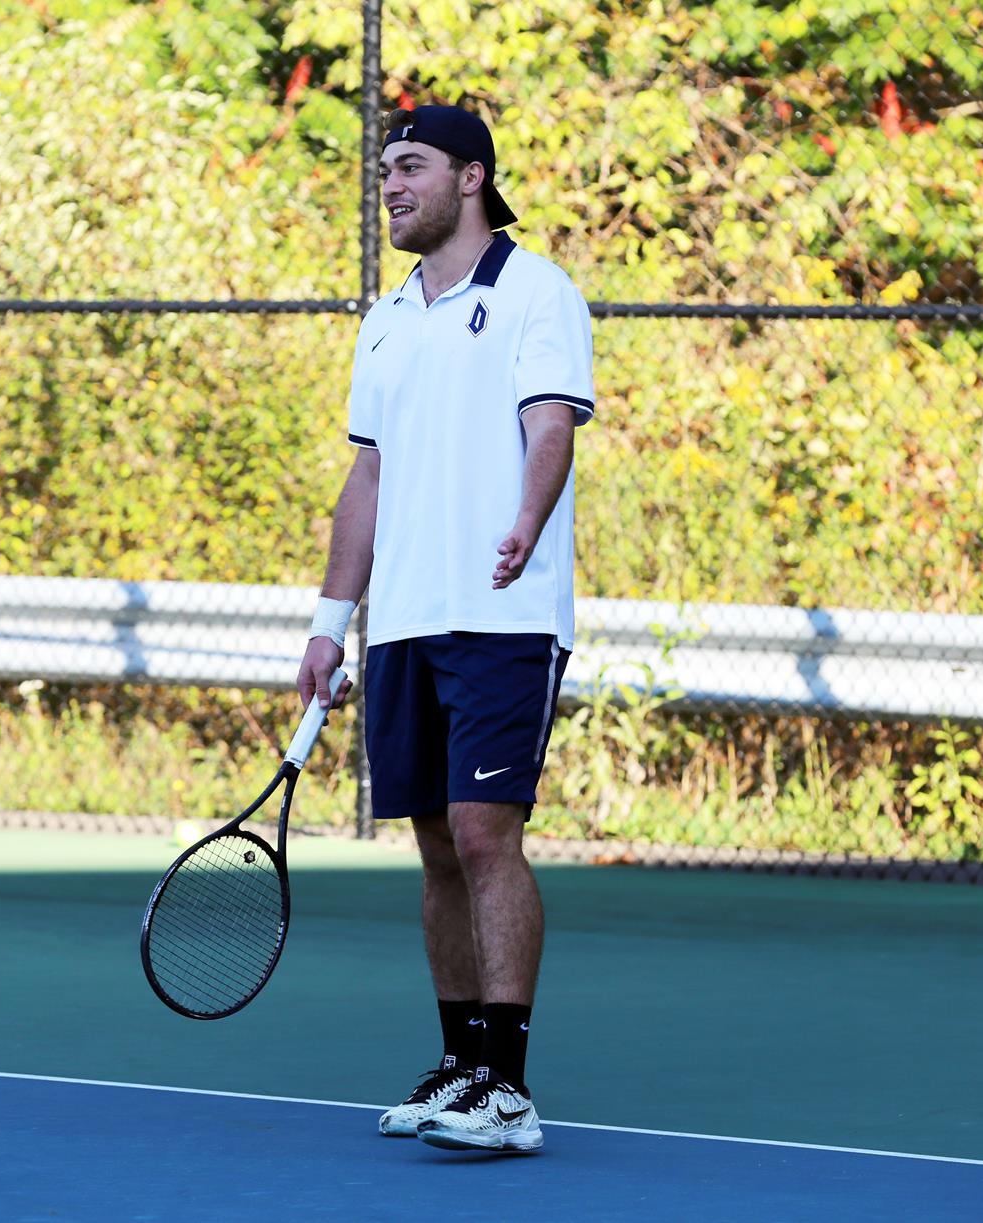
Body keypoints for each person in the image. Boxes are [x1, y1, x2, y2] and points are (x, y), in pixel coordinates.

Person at [296, 103, 594, 1155]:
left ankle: (508, 1088)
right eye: (385, 170)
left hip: (502, 615)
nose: (390, 185)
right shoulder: (385, 316)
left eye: (409, 167)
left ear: (470, 177)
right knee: (431, 845)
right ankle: (462, 1063)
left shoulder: (534, 292)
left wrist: (523, 522)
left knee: (483, 832)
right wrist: (332, 623)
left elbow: (548, 425)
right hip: (401, 626)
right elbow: (366, 475)